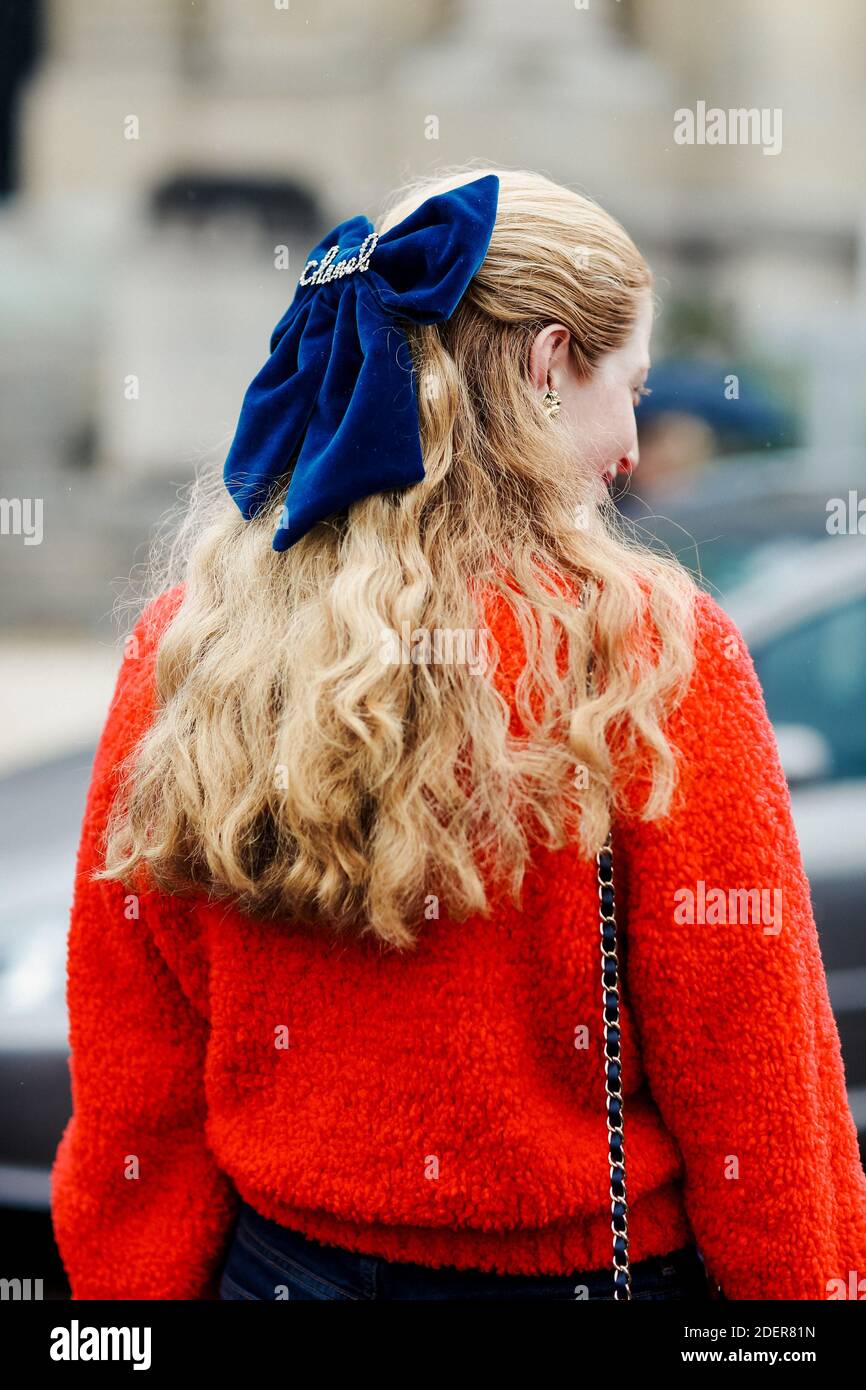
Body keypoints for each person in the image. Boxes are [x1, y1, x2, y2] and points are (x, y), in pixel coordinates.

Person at [50, 165, 866, 1301]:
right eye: (623, 385)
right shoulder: (653, 653)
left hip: (277, 1272)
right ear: (544, 366)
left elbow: (135, 1059)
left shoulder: (192, 644)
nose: (632, 443)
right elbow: (756, 1081)